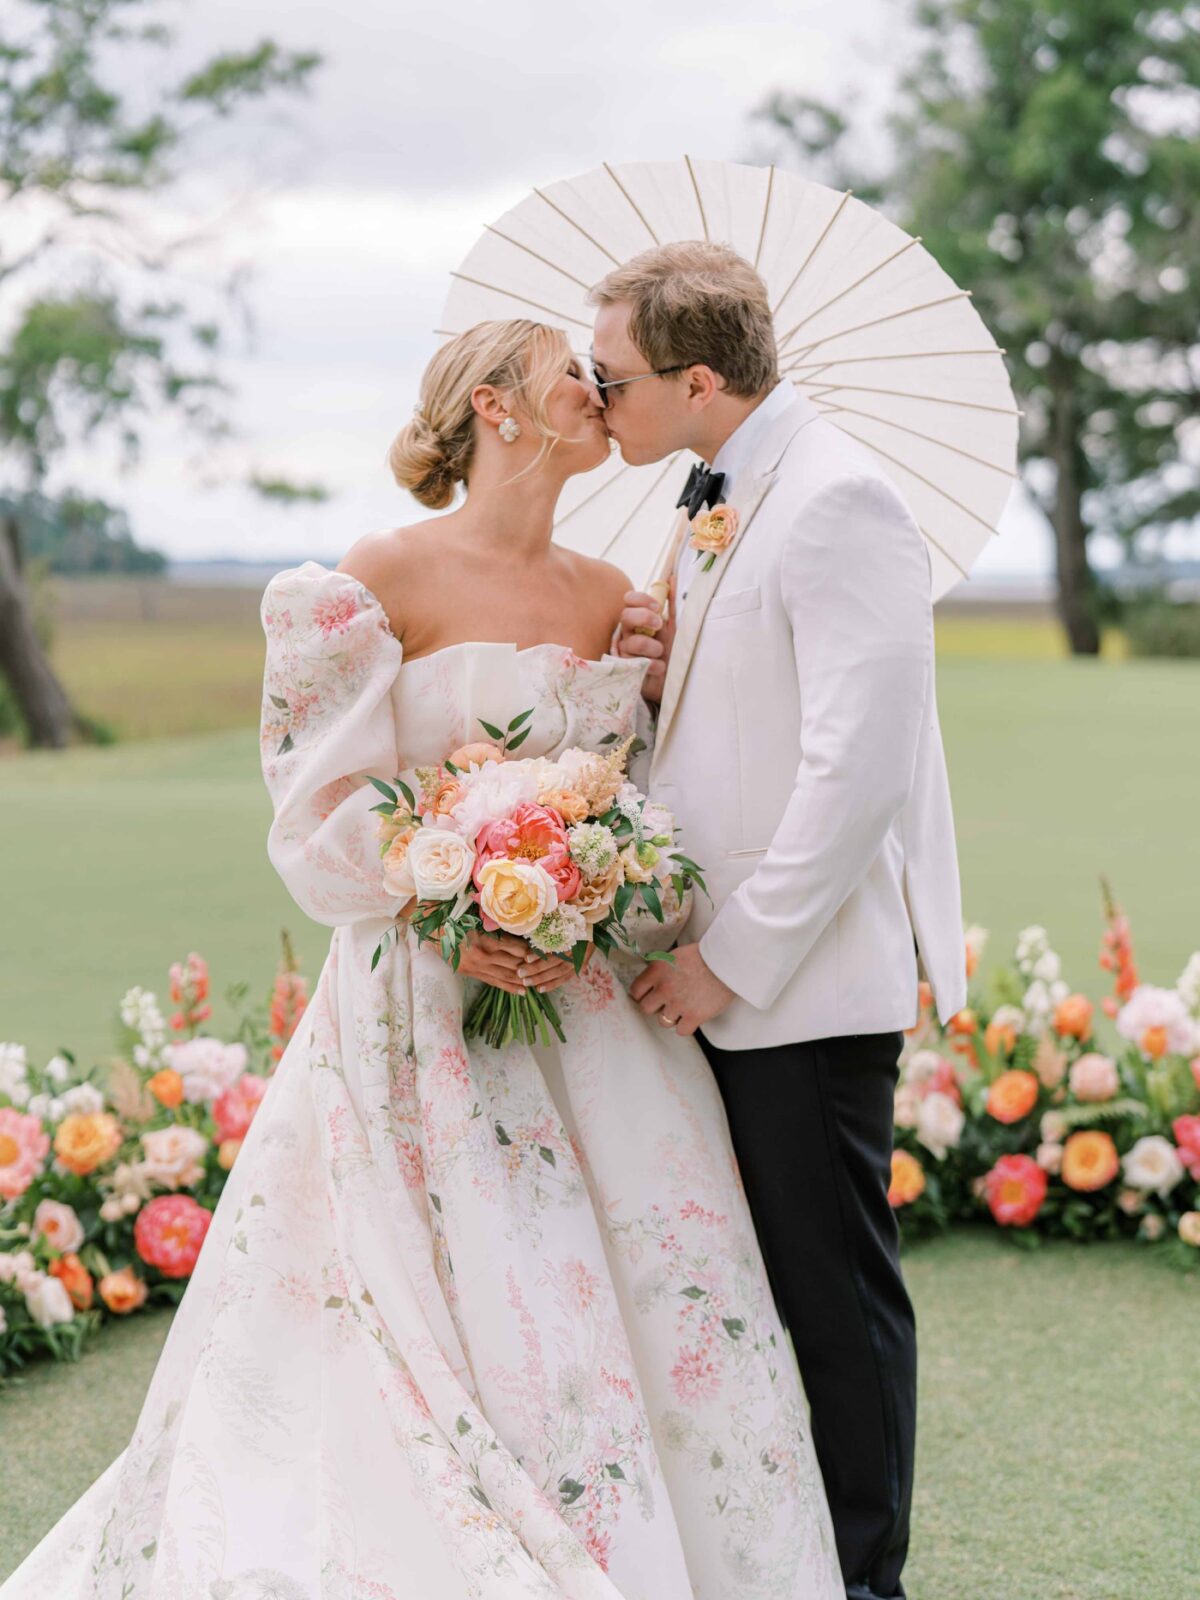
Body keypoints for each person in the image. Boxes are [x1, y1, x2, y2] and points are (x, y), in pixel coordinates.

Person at [0, 318, 840, 1600]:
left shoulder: (614, 597)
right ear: (498, 406)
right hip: (421, 1002)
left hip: (586, 1010)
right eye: (570, 372)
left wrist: (611, 796)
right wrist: (453, 900)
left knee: (621, 1286)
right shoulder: (372, 578)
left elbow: (630, 802)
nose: (597, 388)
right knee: (418, 1289)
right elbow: (320, 805)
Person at [599, 242, 968, 1600]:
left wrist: (729, 964)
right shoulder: (721, 492)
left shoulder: (837, 499)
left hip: (795, 986)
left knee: (835, 1300)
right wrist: (659, 679)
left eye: (612, 377)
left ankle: (867, 1581)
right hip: (718, 970)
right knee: (753, 1289)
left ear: (699, 380)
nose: (599, 397)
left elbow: (857, 772)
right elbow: (744, 716)